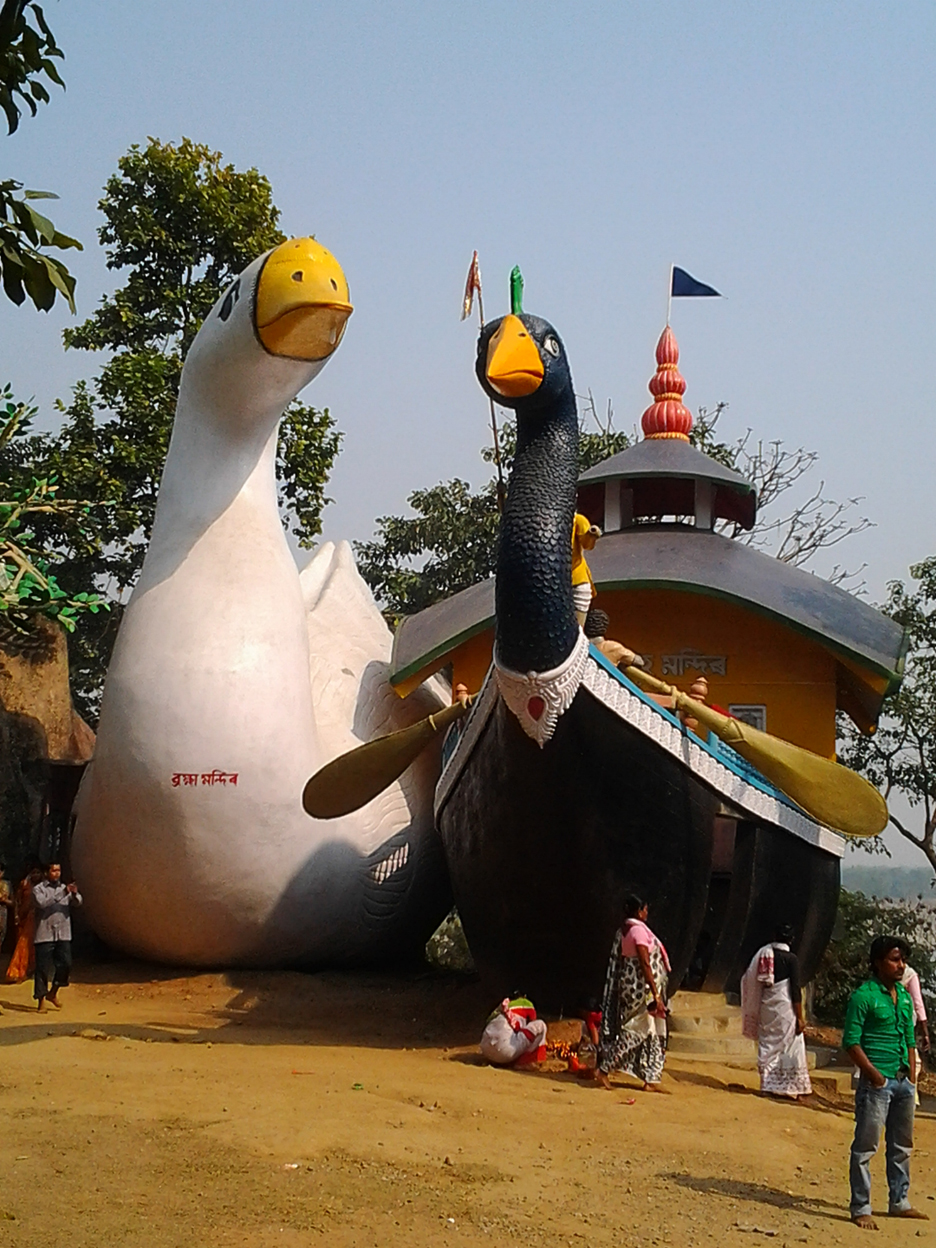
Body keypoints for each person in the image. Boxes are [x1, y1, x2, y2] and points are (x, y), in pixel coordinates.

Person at [843, 934, 929, 1229]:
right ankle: (861, 1206)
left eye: (903, 960)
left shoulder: (904, 998)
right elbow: (851, 1042)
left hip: (904, 1081)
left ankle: (899, 1201)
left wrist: (913, 1073)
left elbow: (909, 1037)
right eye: (894, 959)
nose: (901, 965)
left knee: (902, 1144)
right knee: (866, 1146)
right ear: (878, 963)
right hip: (877, 1083)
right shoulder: (863, 997)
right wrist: (874, 1075)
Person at [597, 894, 670, 1091]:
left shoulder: (627, 930)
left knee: (653, 1033)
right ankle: (604, 1069)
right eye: (645, 909)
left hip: (638, 988)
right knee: (636, 1032)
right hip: (641, 991)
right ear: (639, 911)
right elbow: (645, 963)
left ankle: (651, 1079)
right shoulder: (637, 932)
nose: (647, 912)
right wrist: (655, 994)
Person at [740, 924, 812, 1099]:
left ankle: (767, 1084)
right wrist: (800, 1017)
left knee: (768, 1043)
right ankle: (789, 1087)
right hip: (785, 1008)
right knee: (791, 1045)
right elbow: (795, 990)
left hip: (767, 1007)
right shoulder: (791, 959)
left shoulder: (763, 954)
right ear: (791, 939)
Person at [32, 862, 82, 1011]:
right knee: (42, 968)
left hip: (63, 933)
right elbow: (42, 903)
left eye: (59, 870)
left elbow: (79, 903)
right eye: (53, 871)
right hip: (44, 934)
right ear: (47, 872)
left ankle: (53, 992)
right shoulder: (38, 889)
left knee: (66, 964)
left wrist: (74, 894)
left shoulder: (64, 888)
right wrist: (62, 894)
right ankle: (40, 1000)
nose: (57, 873)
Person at [480, 995, 548, 1067]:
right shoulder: (527, 1004)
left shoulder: (502, 1006)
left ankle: (498, 1060)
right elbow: (533, 1022)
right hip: (505, 1052)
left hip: (485, 1050)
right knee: (540, 1024)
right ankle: (527, 1062)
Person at [5, 865, 41, 983]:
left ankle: (29, 970)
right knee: (23, 944)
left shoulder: (44, 885)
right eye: (34, 872)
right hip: (24, 917)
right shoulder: (24, 883)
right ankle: (17, 972)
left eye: (38, 872)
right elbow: (17, 900)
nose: (36, 875)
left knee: (32, 946)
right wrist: (16, 915)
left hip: (37, 918)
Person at [571, 513, 600, 627]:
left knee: (577, 631)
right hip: (552, 581)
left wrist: (591, 534)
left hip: (577, 579)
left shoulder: (577, 520)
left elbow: (587, 544)